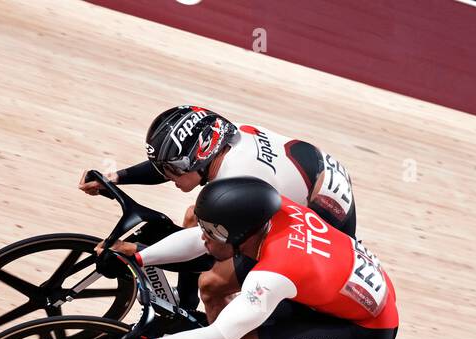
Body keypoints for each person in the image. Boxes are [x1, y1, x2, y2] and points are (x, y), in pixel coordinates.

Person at [103, 177, 398, 339]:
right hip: (335, 290)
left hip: (365, 331)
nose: (203, 236)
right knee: (228, 304)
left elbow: (218, 338)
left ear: (238, 235)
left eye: (212, 233)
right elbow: (201, 238)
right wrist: (142, 258)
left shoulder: (272, 274)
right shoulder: (270, 210)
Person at [80, 106, 357, 325]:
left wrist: (137, 252)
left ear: (200, 159)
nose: (168, 177)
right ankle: (185, 308)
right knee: (196, 216)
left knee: (212, 284)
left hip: (321, 230)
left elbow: (208, 252)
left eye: (172, 170)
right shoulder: (225, 140)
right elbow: (174, 164)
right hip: (312, 191)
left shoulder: (237, 177)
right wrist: (116, 177)